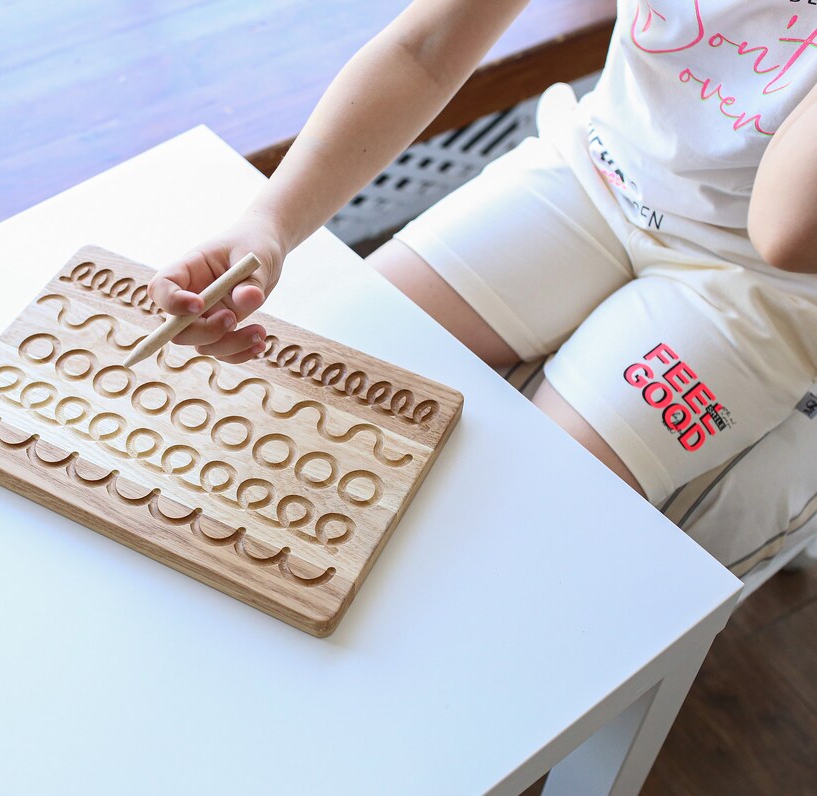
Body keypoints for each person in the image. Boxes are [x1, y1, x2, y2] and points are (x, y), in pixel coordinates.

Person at [148, 0, 817, 505]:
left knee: (518, 512)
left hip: (751, 279)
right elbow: (427, 49)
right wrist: (270, 224)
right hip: (597, 166)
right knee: (310, 393)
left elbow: (784, 230)